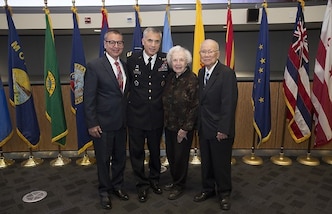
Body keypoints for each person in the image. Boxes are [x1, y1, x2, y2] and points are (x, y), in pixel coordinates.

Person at [84, 30, 129, 210]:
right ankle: (104, 191)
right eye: (112, 42)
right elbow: (88, 98)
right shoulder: (95, 66)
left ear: (123, 45)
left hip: (121, 123)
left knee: (120, 158)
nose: (116, 46)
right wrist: (92, 123)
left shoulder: (124, 66)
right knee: (103, 160)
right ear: (105, 44)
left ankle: (117, 186)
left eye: (119, 43)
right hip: (101, 125)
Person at [126, 27, 170, 203]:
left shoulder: (166, 59)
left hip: (157, 115)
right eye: (149, 41)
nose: (153, 45)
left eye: (156, 41)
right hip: (136, 115)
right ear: (143, 41)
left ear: (160, 43)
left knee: (154, 150)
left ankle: (154, 180)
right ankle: (141, 184)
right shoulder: (131, 60)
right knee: (136, 152)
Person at [193, 39, 238, 211]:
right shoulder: (200, 72)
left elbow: (229, 103)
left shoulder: (226, 73)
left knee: (221, 164)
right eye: (203, 52)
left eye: (210, 51)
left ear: (218, 53)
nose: (206, 54)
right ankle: (208, 189)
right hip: (204, 127)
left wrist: (223, 129)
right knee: (207, 163)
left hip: (220, 129)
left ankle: (224, 193)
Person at [162, 45, 199, 200]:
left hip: (183, 128)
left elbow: (194, 106)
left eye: (181, 60)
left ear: (187, 61)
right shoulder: (170, 77)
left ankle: (179, 185)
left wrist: (184, 129)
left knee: (180, 158)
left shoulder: (192, 79)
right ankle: (175, 180)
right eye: (175, 60)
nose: (178, 63)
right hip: (168, 125)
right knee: (171, 156)